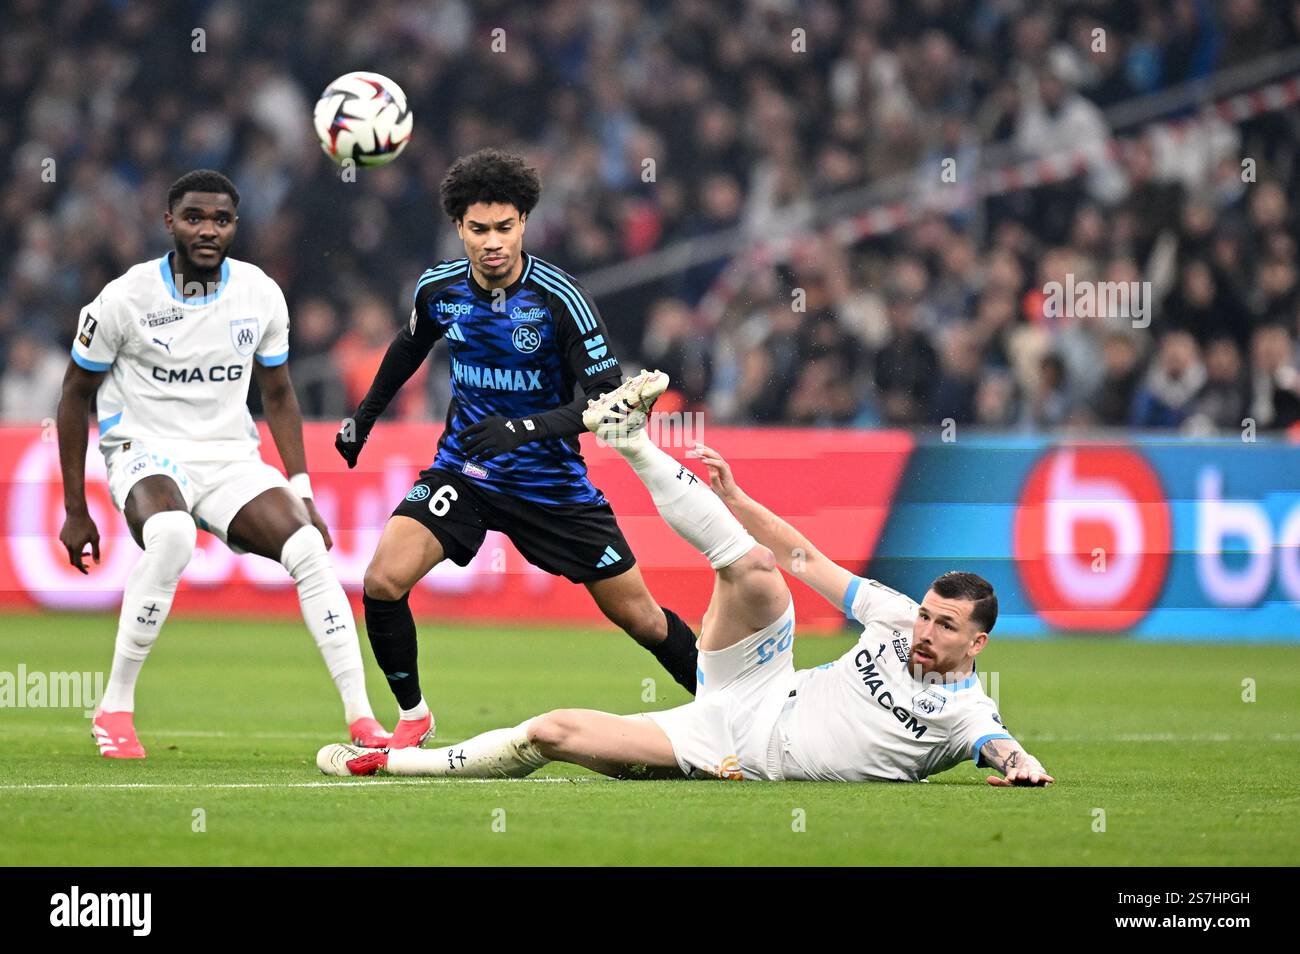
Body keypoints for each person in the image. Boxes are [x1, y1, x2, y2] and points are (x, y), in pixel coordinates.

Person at [319, 371, 1054, 787]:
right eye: (928, 615)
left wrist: (1023, 770)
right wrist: (737, 501)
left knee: (550, 732)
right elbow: (806, 561)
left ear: (978, 644)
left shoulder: (966, 716)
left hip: (726, 747)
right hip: (760, 684)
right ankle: (633, 441)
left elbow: (1005, 748)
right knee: (762, 573)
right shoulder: (897, 618)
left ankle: (398, 764)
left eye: (945, 626)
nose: (925, 631)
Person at [334, 149, 700, 750]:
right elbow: (409, 345)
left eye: (505, 227)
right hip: (466, 471)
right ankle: (413, 717)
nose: (493, 242)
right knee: (382, 580)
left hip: (551, 485)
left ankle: (732, 711)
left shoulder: (560, 298)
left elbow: (611, 399)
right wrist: (364, 417)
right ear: (460, 228)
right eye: (479, 230)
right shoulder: (439, 289)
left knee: (641, 618)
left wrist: (523, 430)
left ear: (524, 222)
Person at [57, 169, 390, 758]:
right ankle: (115, 707)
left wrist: (302, 489)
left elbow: (281, 395)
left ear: (235, 225)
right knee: (171, 535)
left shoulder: (259, 293)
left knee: (309, 549)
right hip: (144, 449)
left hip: (229, 455)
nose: (208, 229)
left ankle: (363, 720)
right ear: (169, 223)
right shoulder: (125, 298)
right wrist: (75, 509)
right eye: (194, 218)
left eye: (221, 219)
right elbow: (74, 395)